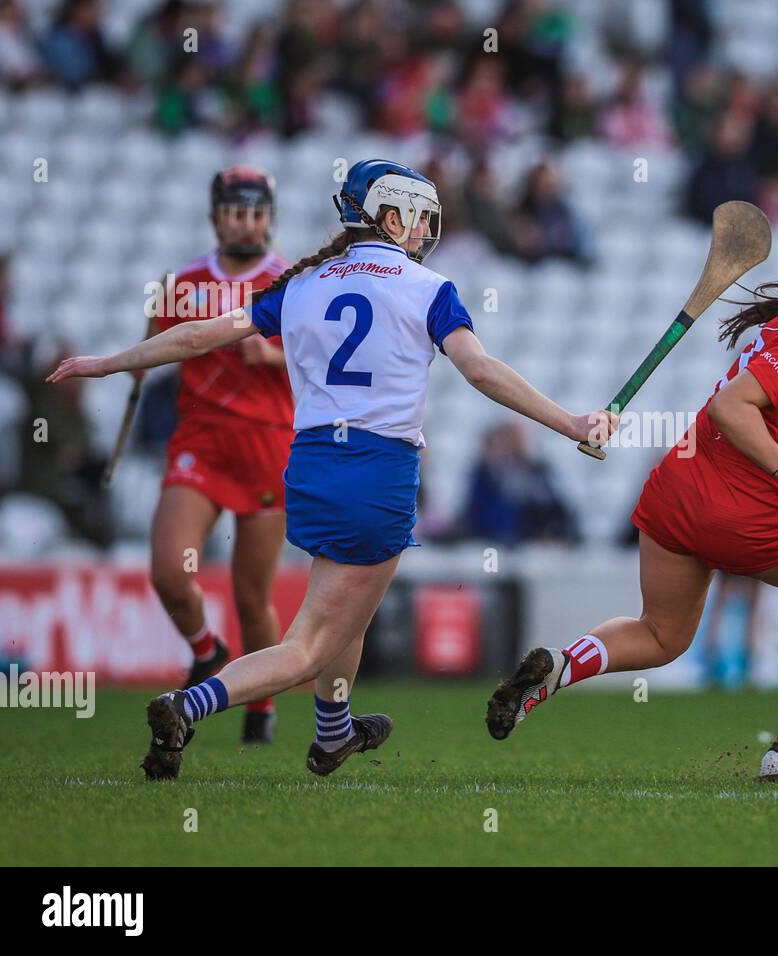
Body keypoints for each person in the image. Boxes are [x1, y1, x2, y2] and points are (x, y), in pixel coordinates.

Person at [47, 159, 615, 780]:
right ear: (391, 216)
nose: (426, 232)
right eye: (420, 218)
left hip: (311, 466)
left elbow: (198, 336)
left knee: (347, 609)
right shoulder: (430, 290)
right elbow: (479, 370)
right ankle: (189, 704)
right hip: (377, 472)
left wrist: (108, 362)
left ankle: (333, 736)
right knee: (310, 644)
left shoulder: (306, 281)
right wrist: (572, 423)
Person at [485, 229, 778, 784]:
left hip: (677, 494)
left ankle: (558, 667)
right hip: (743, 508)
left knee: (661, 636)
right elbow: (730, 407)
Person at [142, 166, 291, 745]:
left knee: (253, 597)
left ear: (268, 218)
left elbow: (324, 367)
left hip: (267, 445)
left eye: (255, 213)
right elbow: (163, 352)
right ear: (215, 217)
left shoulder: (289, 280)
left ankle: (260, 710)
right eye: (234, 212)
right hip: (200, 444)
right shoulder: (185, 283)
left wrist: (273, 359)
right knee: (169, 571)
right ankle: (208, 651)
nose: (245, 224)